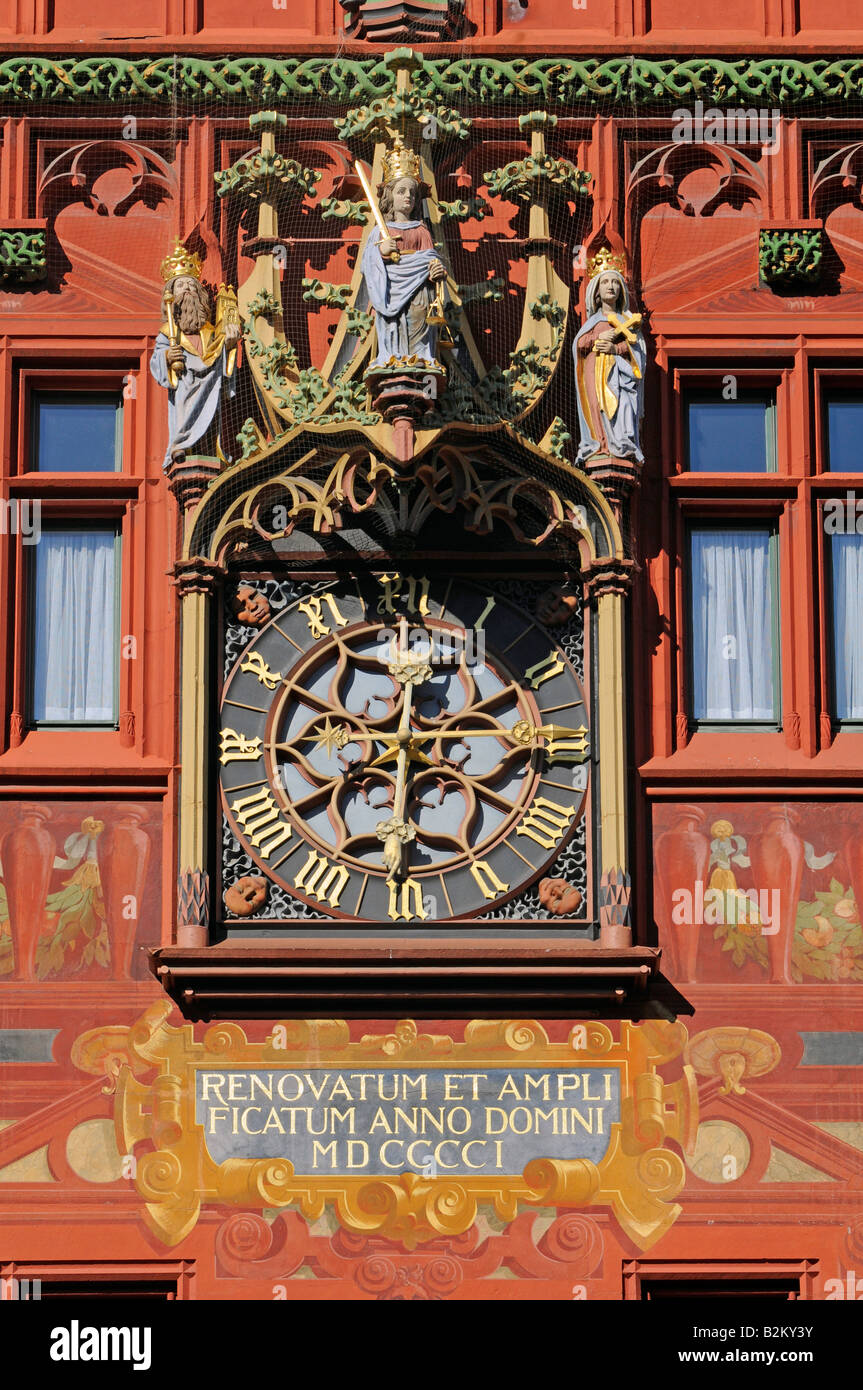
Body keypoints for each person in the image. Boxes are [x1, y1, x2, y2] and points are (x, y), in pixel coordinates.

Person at [150, 241, 240, 468]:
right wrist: (168, 357)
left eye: (191, 285)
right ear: (171, 296)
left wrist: (229, 345)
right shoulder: (167, 333)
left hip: (210, 383)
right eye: (180, 285)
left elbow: (223, 362)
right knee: (183, 408)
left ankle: (209, 449)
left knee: (211, 418)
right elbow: (157, 359)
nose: (187, 289)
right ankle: (181, 443)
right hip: (184, 384)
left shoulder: (210, 332)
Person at [361, 140, 447, 370]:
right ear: (389, 196)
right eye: (401, 191)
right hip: (390, 289)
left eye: (411, 192)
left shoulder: (421, 229)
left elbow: (430, 259)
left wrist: (437, 270)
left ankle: (420, 357)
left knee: (418, 317)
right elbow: (367, 263)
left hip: (419, 290)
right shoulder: (381, 231)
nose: (407, 196)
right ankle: (393, 357)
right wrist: (380, 251)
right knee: (393, 323)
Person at [573, 249, 646, 465]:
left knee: (622, 405)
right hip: (594, 372)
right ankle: (600, 443)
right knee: (596, 405)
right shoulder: (592, 322)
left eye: (615, 282)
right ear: (597, 290)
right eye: (605, 282)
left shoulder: (628, 320)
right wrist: (597, 337)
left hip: (620, 372)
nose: (611, 286)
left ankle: (620, 443)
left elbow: (638, 350)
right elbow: (579, 345)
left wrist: (616, 350)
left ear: (621, 290)